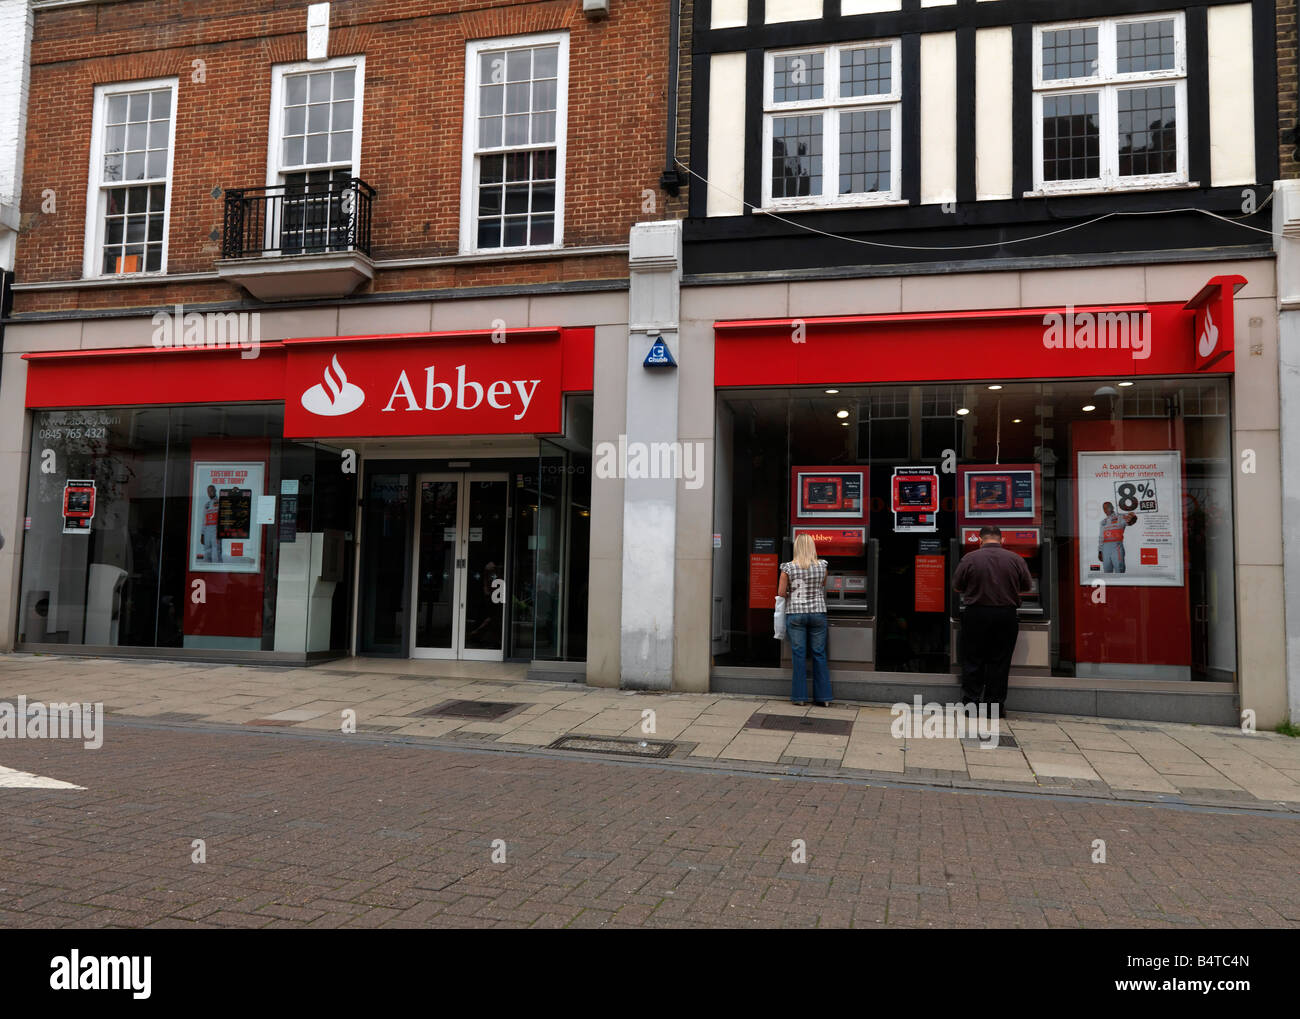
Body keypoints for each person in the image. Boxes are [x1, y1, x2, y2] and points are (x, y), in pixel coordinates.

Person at [951, 525, 1034, 716]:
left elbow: (957, 587)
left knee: (973, 660)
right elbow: (1027, 586)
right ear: (1002, 540)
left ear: (980, 540)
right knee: (1000, 662)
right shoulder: (1016, 559)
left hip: (976, 614)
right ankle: (993, 708)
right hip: (1006, 615)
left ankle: (971, 705)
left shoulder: (969, 558)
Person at [778, 533, 832, 707]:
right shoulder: (823, 566)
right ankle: (823, 699)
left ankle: (800, 697)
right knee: (819, 654)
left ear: (797, 548)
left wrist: (791, 593)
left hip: (796, 614)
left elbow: (781, 592)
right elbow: (822, 585)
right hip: (817, 613)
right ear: (812, 547)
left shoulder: (788, 568)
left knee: (799, 656)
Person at [1098, 501, 1138, 574]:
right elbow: (1101, 537)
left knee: (1119, 570)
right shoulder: (1103, 522)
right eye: (1104, 508)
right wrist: (1100, 551)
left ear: (1112, 507)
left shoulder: (1120, 517)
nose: (1105, 510)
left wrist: (1133, 518)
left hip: (1117, 548)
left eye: (1108, 507)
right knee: (1107, 571)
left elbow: (1130, 521)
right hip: (1105, 549)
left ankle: (1120, 584)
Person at [200, 484, 222, 564]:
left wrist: (220, 531)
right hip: (207, 531)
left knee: (217, 551)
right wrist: (202, 534)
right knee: (207, 551)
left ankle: (218, 570)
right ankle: (207, 571)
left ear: (215, 491)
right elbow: (204, 520)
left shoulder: (220, 502)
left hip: (216, 530)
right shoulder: (206, 505)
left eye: (211, 490)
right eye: (208, 491)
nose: (210, 493)